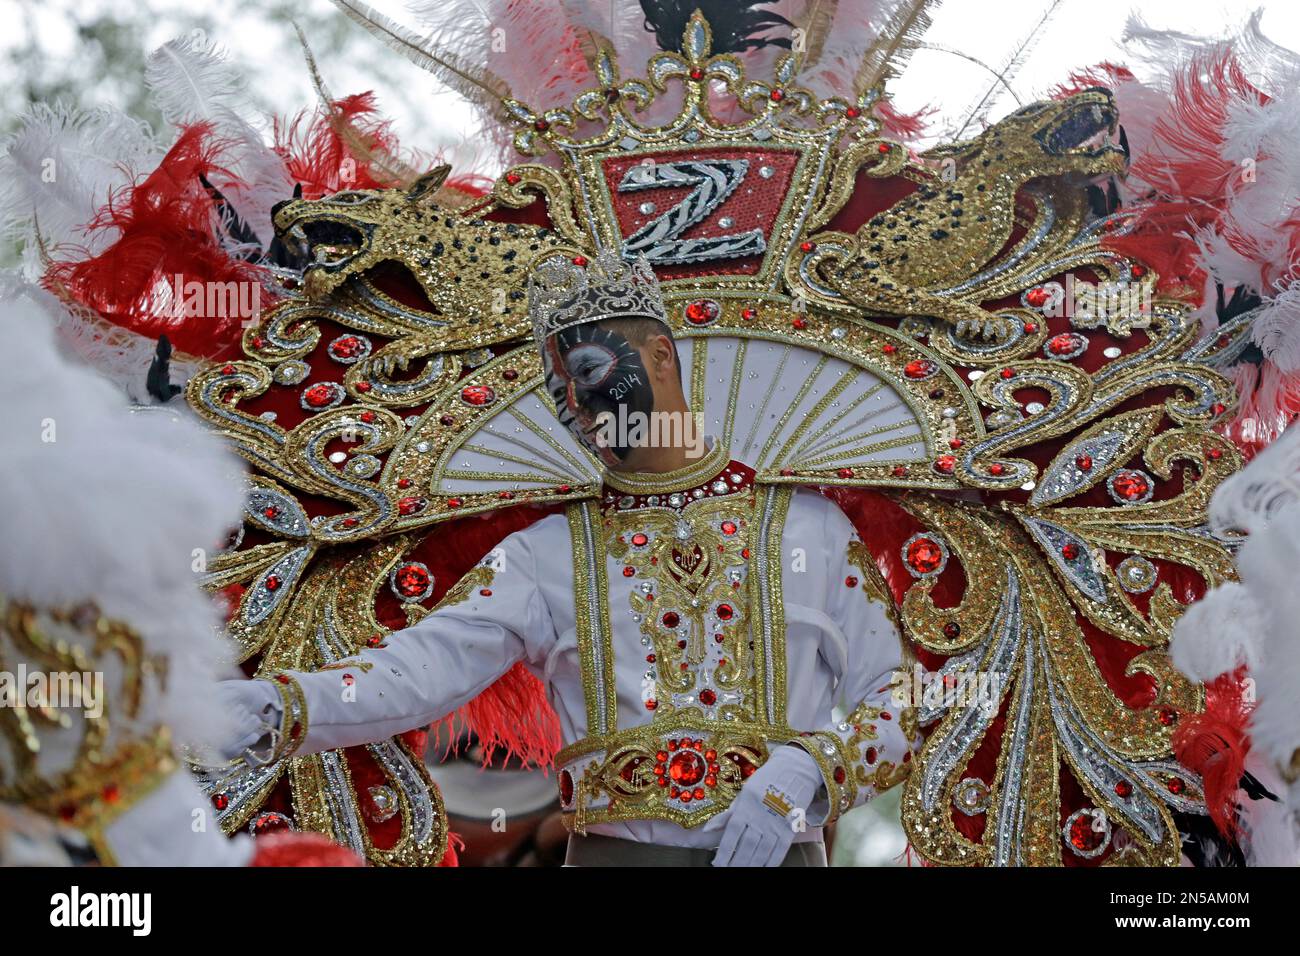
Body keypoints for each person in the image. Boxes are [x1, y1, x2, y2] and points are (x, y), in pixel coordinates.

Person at [216, 251, 916, 867]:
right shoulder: (545, 555)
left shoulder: (810, 529)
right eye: (560, 395)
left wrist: (807, 770)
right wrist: (278, 705)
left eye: (589, 371)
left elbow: (900, 699)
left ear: (662, 359)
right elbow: (417, 672)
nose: (579, 405)